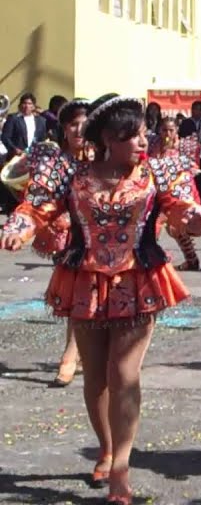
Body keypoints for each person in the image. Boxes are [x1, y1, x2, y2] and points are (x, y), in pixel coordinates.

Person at [1, 94, 201, 504]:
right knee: (96, 377)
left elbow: (184, 211)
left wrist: (196, 220)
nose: (141, 141)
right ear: (106, 139)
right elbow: (36, 208)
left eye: (142, 132)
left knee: (124, 373)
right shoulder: (72, 175)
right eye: (129, 135)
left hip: (138, 280)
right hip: (85, 281)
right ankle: (107, 446)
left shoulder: (157, 173)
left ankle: (121, 470)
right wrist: (17, 229)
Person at [2, 98, 91, 387]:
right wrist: (19, 229)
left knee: (89, 295)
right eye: (73, 124)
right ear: (64, 128)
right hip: (64, 235)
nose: (80, 130)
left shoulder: (102, 159)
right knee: (77, 293)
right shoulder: (51, 160)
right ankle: (73, 353)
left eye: (85, 124)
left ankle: (75, 353)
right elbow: (36, 202)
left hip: (102, 238)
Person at [148, 116, 201, 271]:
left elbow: (192, 170)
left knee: (177, 228)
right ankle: (150, 256)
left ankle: (191, 259)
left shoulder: (183, 147)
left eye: (171, 130)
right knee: (154, 224)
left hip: (175, 193)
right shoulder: (152, 145)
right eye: (164, 130)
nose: (167, 133)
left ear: (176, 131)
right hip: (154, 191)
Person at [2, 92, 47, 159]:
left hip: (33, 158)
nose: (26, 106)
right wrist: (14, 149)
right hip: (15, 157)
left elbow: (42, 140)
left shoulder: (41, 121)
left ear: (33, 106)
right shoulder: (13, 118)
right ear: (20, 105)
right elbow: (5, 137)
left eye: (29, 104)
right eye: (24, 103)